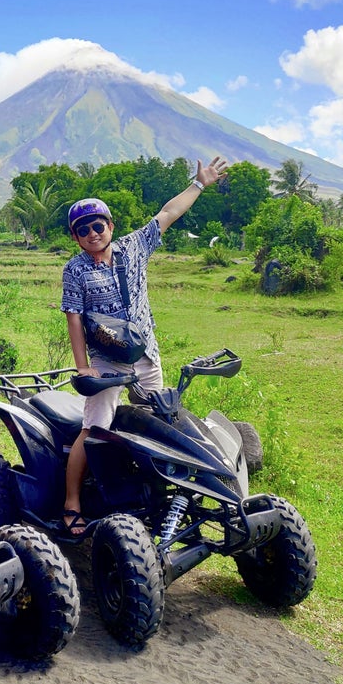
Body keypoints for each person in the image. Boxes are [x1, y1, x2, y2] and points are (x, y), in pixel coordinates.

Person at [59, 157, 226, 536]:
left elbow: (168, 213)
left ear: (110, 226)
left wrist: (199, 184)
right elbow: (73, 317)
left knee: (158, 421)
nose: (91, 233)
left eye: (97, 225)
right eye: (82, 230)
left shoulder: (134, 247)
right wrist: (83, 367)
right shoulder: (75, 269)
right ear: (75, 237)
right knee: (94, 426)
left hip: (145, 354)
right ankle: (72, 501)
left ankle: (156, 497)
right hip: (106, 361)